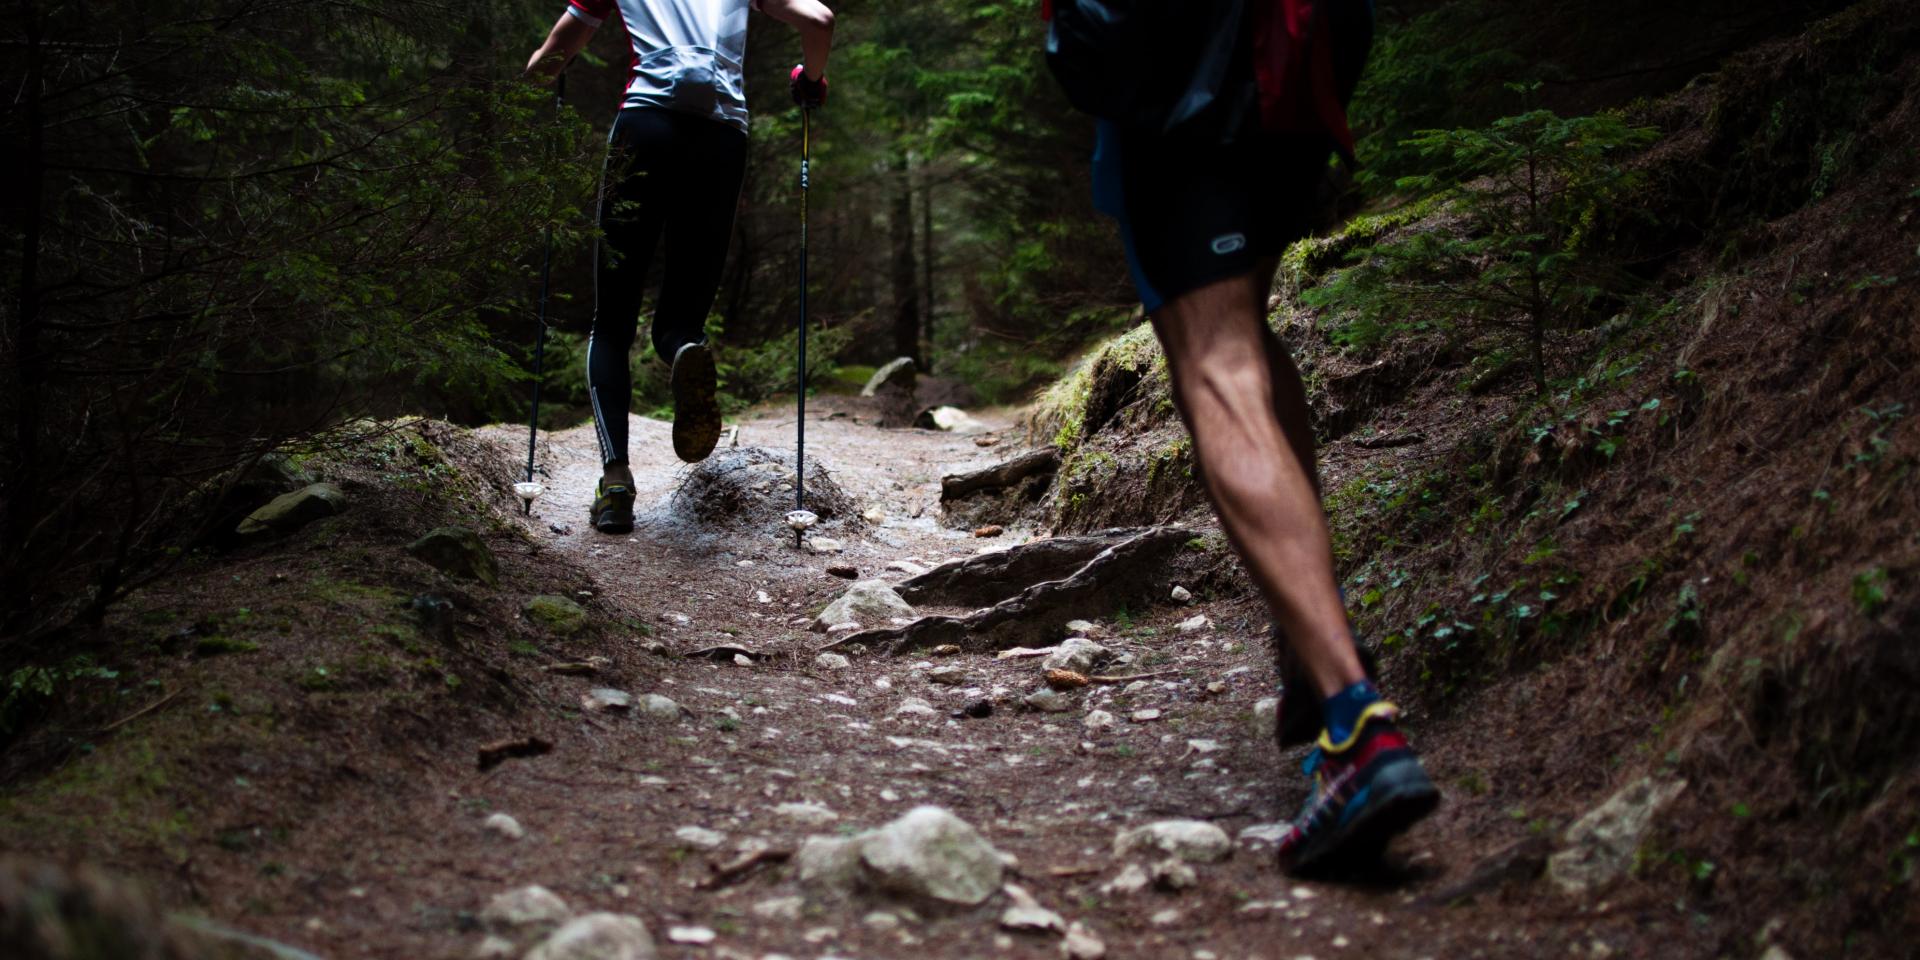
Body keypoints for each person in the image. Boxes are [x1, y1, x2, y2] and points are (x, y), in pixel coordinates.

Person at [1054, 0, 1438, 875]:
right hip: (1310, 36)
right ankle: (1314, 651)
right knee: (1243, 331)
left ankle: (1355, 724)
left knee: (1214, 360)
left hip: (1193, 46)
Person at [525, 0, 835, 533]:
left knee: (613, 320)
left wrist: (547, 69)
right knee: (681, 321)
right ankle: (686, 351)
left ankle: (616, 481)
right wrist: (811, 78)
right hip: (721, 140)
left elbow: (550, 60)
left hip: (645, 128)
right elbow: (819, 20)